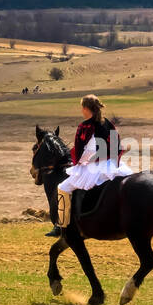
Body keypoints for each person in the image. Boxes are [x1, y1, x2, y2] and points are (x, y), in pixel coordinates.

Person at [55, 94, 132, 229]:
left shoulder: (84, 127)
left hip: (94, 168)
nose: (81, 111)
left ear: (85, 108)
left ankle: (62, 225)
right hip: (111, 166)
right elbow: (116, 146)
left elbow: (78, 152)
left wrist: (80, 161)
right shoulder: (108, 123)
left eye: (82, 108)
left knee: (62, 188)